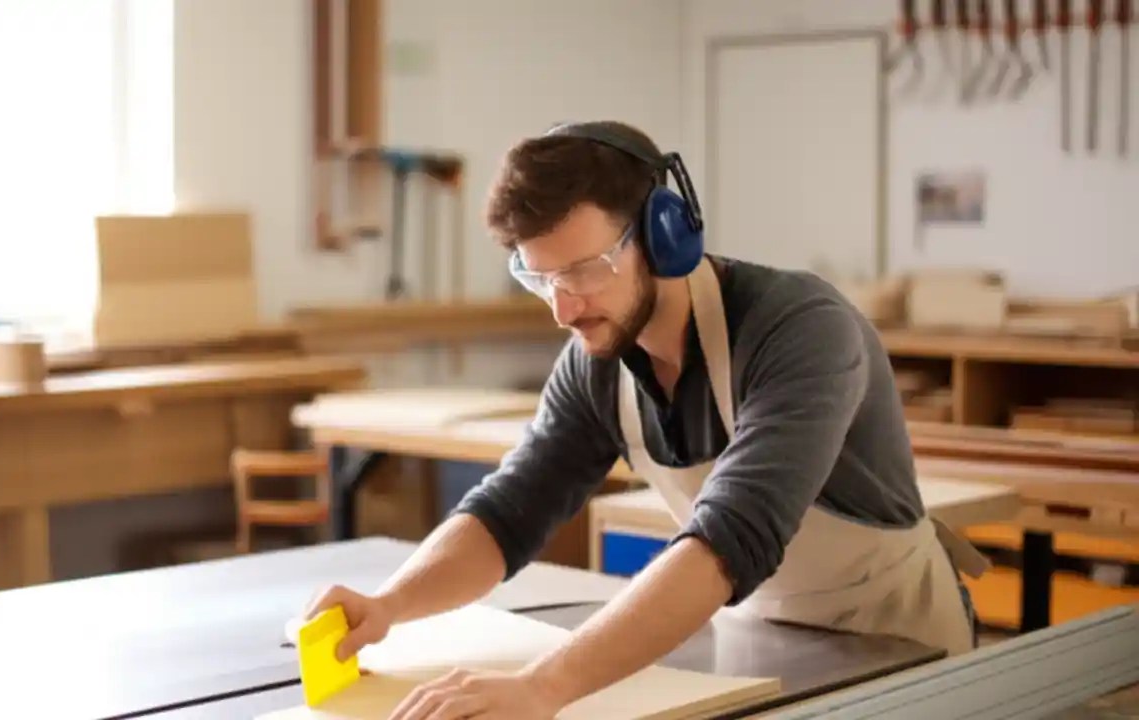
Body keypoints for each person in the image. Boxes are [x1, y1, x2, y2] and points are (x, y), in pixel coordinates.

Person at [300, 120, 988, 720]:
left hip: (905, 650)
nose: (564, 310)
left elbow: (730, 536)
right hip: (767, 640)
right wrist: (390, 606)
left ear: (666, 235)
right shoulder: (596, 361)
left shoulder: (801, 329)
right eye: (541, 280)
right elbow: (510, 512)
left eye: (586, 270)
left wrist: (543, 687)